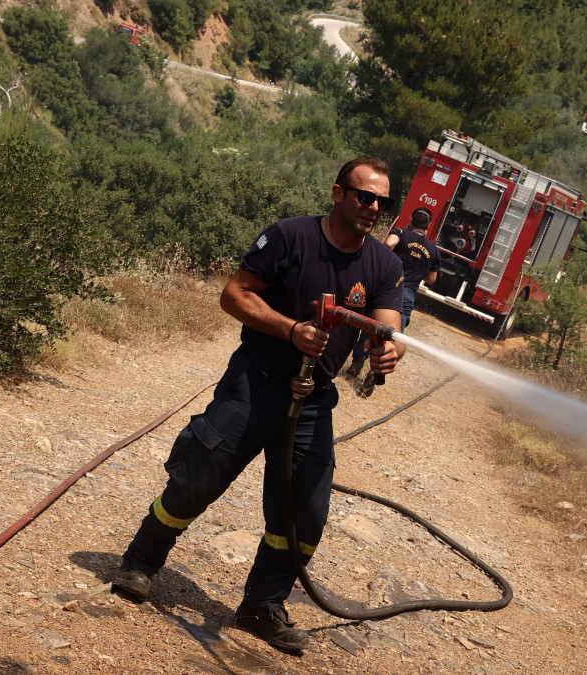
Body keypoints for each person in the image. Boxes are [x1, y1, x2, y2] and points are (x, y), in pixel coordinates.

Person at [110, 157, 406, 653]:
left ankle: (262, 604)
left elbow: (387, 322)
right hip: (257, 380)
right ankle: (141, 562)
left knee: (305, 511)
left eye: (383, 201)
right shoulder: (291, 237)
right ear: (338, 194)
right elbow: (234, 294)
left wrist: (389, 348)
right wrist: (290, 329)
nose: (374, 207)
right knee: (199, 472)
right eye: (364, 196)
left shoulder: (384, 263)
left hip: (314, 399)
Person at [344, 206, 440, 378]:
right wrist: (419, 268)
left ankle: (357, 363)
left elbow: (389, 243)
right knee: (394, 335)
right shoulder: (433, 250)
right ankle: (376, 371)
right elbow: (431, 279)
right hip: (407, 294)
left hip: (388, 288)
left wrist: (384, 261)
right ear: (428, 225)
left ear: (411, 219)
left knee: (371, 325)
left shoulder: (402, 233)